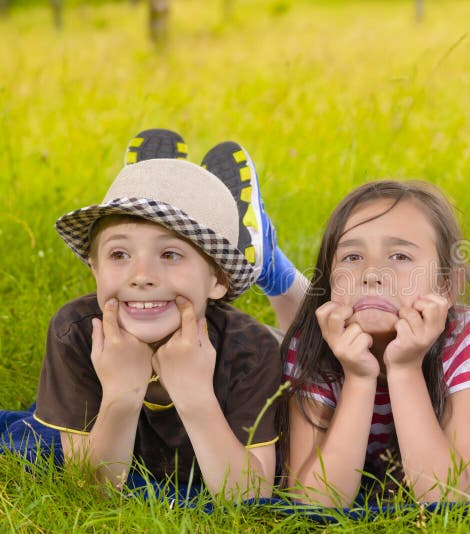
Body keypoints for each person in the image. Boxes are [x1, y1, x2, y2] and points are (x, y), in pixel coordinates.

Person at [32, 130, 284, 500]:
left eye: (170, 254)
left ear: (217, 279)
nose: (142, 276)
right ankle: (172, 191)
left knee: (307, 340)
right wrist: (122, 392)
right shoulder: (77, 332)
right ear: (95, 269)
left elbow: (250, 495)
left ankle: (273, 265)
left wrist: (195, 395)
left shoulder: (252, 350)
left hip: (277, 340)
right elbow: (92, 490)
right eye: (119, 255)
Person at [271, 181, 470, 506]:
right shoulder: (312, 346)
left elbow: (446, 495)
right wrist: (358, 377)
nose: (371, 273)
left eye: (400, 256)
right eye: (352, 256)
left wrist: (405, 368)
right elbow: (314, 498)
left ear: (445, 286)